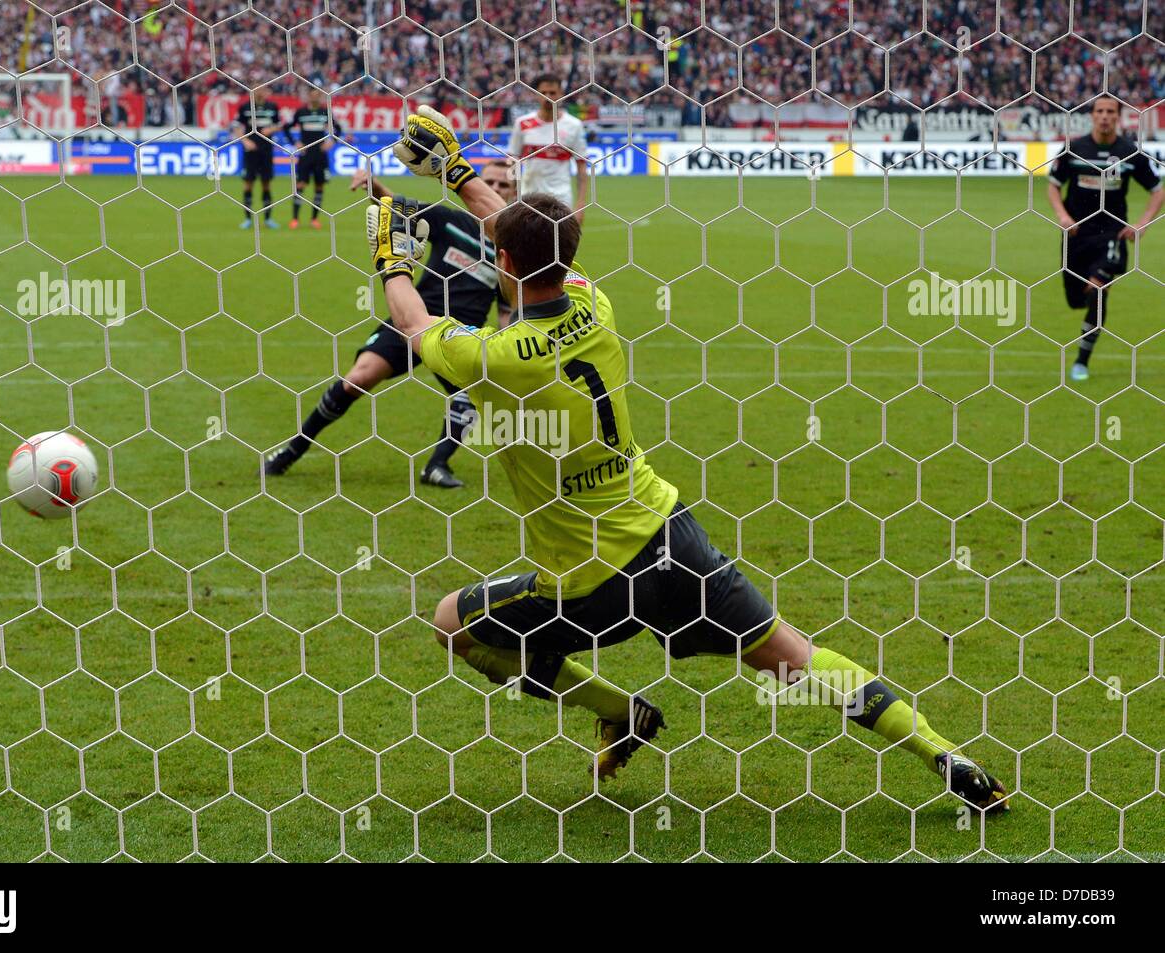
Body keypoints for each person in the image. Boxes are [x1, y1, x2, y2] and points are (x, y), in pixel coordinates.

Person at [369, 105, 1009, 810]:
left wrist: (389, 252)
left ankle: (619, 707)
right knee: (793, 658)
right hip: (670, 533)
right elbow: (525, 242)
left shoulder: (494, 356)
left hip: (590, 577)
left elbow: (414, 321)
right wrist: (459, 174)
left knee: (452, 622)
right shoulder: (593, 302)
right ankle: (945, 754)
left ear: (505, 263)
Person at [264, 159, 515, 487]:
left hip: (461, 335)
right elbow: (401, 213)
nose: (495, 189)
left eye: (503, 186)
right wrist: (375, 187)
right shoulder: (452, 222)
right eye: (490, 183)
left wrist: (508, 344)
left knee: (470, 395)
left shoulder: (510, 253)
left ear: (514, 194)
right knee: (357, 379)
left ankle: (437, 466)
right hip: (413, 319)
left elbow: (508, 308)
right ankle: (292, 450)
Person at [1046, 95, 1163, 382]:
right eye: (1100, 111)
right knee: (1076, 299)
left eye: (1111, 111)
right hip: (1077, 234)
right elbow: (1053, 186)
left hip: (1111, 233)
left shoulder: (1129, 151)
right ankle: (1087, 314)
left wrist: (1141, 223)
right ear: (1092, 116)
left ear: (1119, 117)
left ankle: (1081, 361)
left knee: (1099, 288)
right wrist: (1063, 216)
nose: (1105, 116)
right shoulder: (1074, 149)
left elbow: (1157, 190)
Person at [507, 73, 590, 223]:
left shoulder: (574, 125)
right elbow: (512, 160)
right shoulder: (523, 124)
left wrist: (581, 204)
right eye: (543, 93)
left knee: (560, 244)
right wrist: (511, 191)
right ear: (536, 95)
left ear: (561, 94)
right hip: (529, 196)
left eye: (552, 93)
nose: (547, 97)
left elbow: (581, 167)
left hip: (561, 198)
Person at [285, 86, 344, 230]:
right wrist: (295, 143)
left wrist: (331, 142)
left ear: (320, 97)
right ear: (308, 97)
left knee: (319, 186)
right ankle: (295, 219)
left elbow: (339, 129)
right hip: (305, 154)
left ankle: (314, 219)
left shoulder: (325, 112)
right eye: (312, 95)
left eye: (317, 95)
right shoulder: (301, 112)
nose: (314, 98)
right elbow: (287, 127)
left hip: (320, 154)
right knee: (300, 186)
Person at [233, 92, 283, 229]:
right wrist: (245, 141)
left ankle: (268, 219)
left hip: (266, 150)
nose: (259, 92)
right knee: (248, 184)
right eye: (256, 89)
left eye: (262, 89)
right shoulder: (245, 107)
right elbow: (236, 127)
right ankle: (248, 219)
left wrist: (271, 128)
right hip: (250, 151)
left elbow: (279, 124)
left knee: (266, 184)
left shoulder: (272, 107)